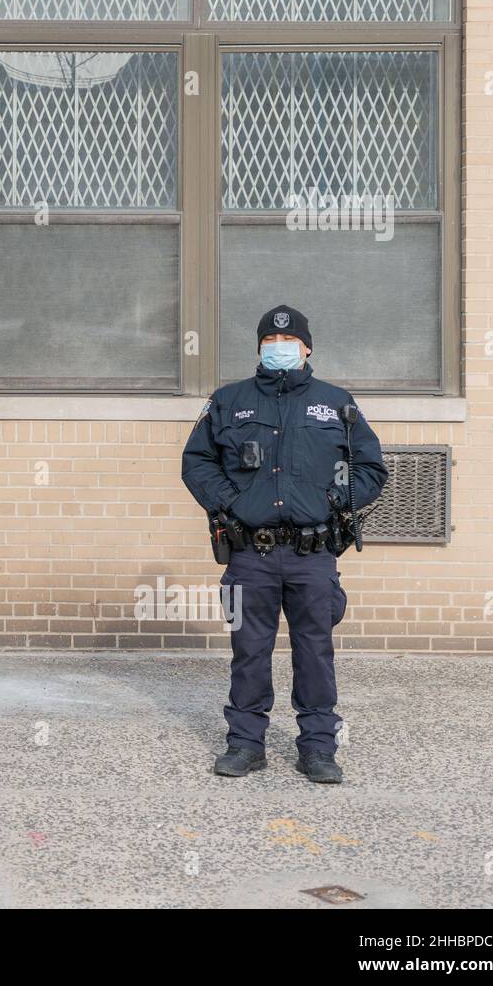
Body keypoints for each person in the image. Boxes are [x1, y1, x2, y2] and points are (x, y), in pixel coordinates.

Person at [181, 305, 388, 784]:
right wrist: (232, 502)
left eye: (289, 342)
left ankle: (318, 749)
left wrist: (334, 498)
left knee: (314, 651)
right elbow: (196, 462)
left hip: (312, 557)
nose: (280, 348)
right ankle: (245, 745)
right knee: (248, 651)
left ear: (307, 347)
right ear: (258, 348)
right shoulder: (228, 401)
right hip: (250, 554)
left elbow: (372, 468)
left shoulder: (336, 403)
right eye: (271, 343)